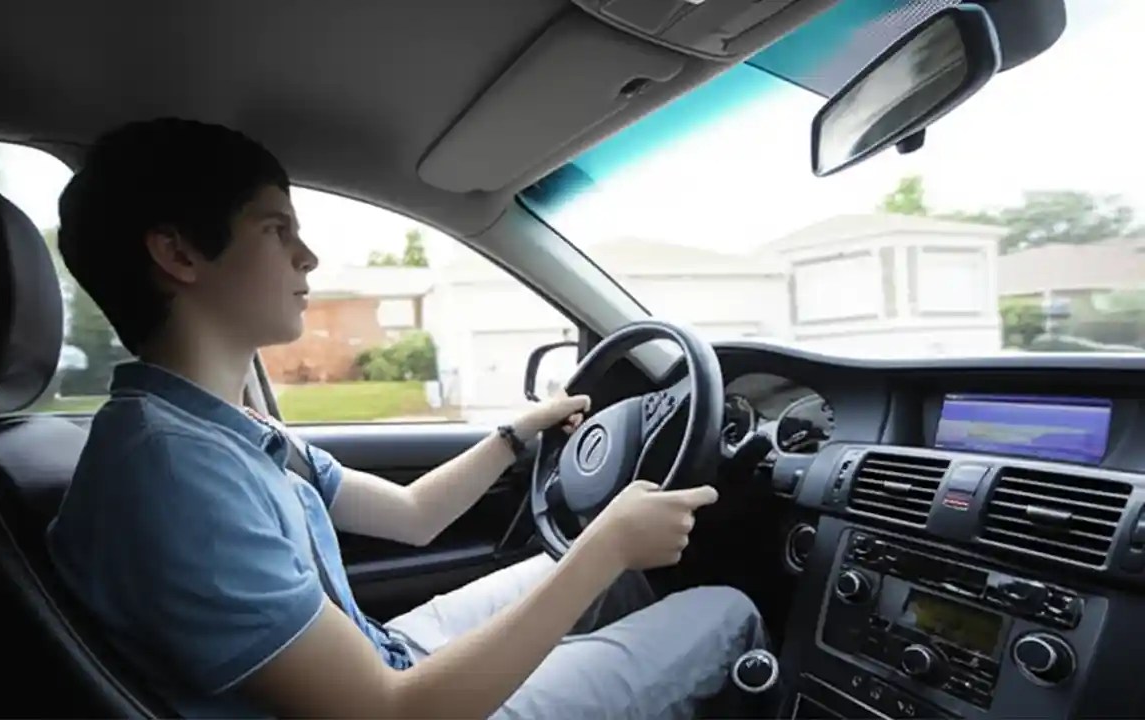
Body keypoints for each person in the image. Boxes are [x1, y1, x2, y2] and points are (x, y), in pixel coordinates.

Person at [46, 118, 765, 719]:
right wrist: (605, 545)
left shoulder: (211, 429)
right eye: (276, 229)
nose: (308, 256)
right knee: (725, 611)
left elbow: (413, 514)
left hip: (376, 656)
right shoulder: (177, 475)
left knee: (612, 581)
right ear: (178, 254)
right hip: (395, 703)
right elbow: (392, 714)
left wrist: (518, 436)